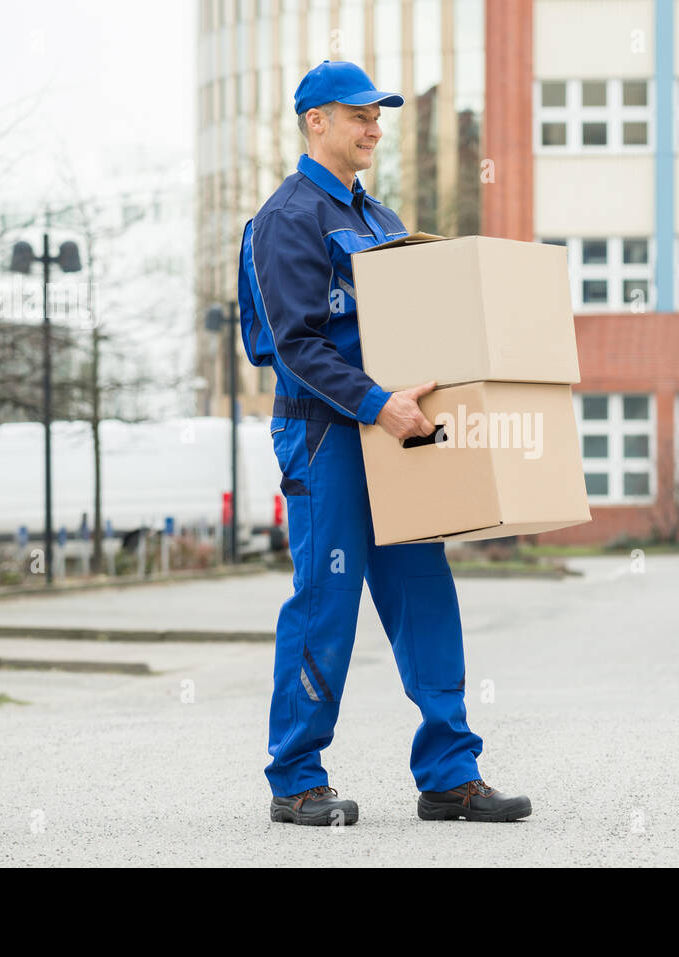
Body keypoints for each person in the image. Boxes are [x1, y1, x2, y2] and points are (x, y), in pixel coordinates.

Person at [237, 59, 532, 826]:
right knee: (326, 600)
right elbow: (293, 344)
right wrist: (377, 405)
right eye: (359, 114)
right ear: (316, 122)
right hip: (327, 434)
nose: (374, 127)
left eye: (378, 116)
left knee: (424, 591)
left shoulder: (382, 220)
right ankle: (296, 778)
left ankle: (450, 774)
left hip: (396, 429)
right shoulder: (287, 218)